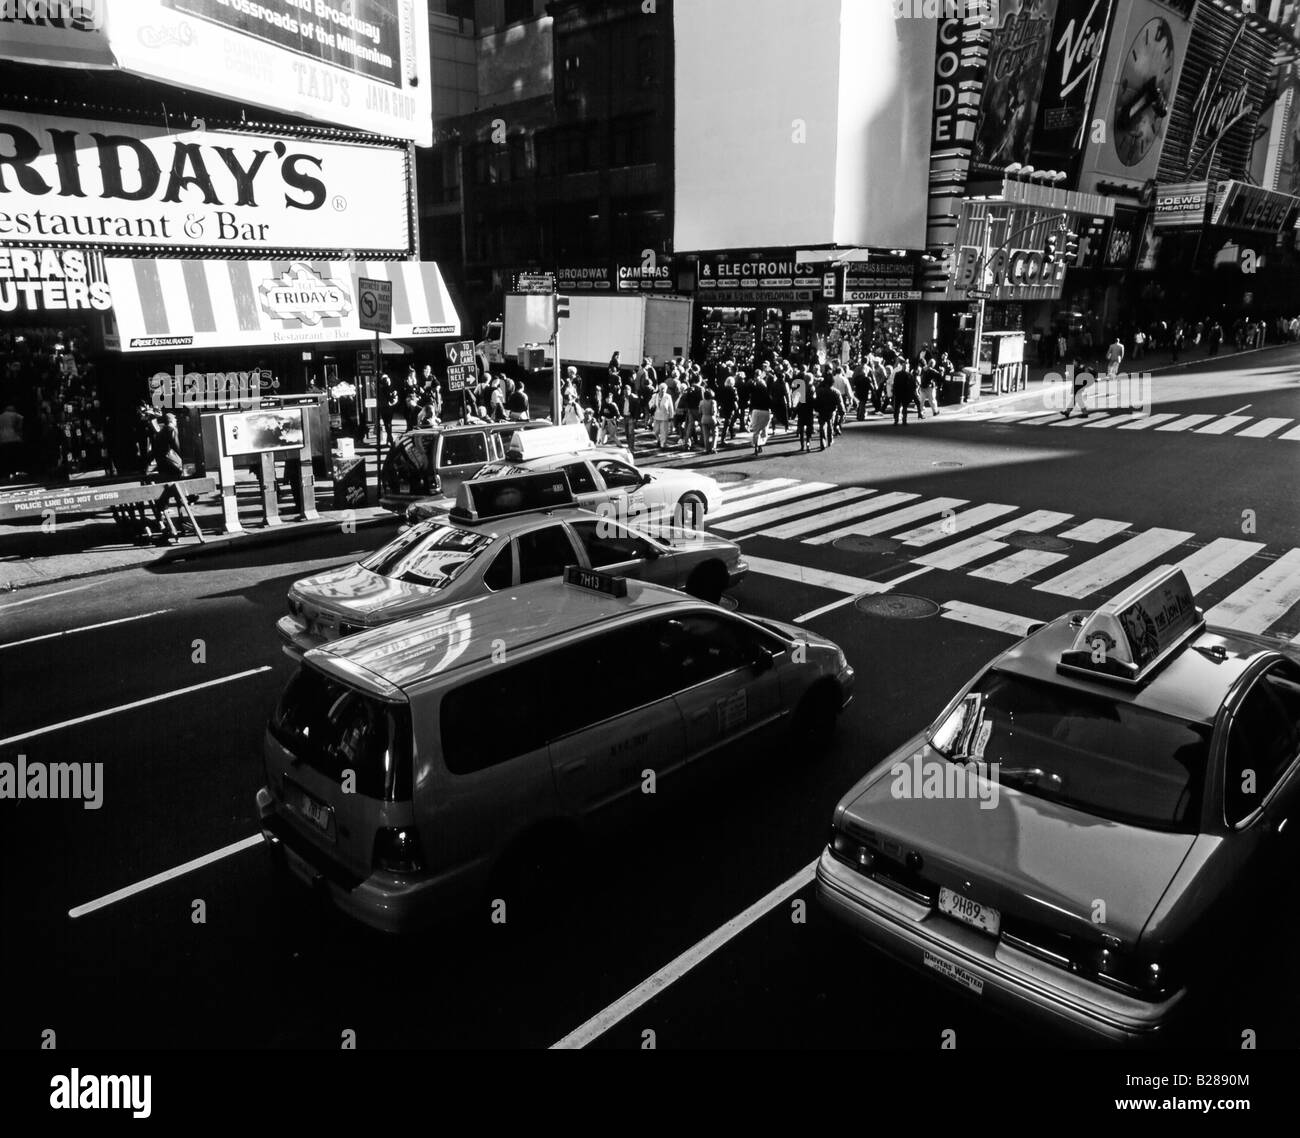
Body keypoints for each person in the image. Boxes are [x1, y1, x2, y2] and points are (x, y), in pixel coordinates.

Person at [815, 376, 844, 450]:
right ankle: (830, 440)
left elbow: (815, 400)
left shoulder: (819, 391)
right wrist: (842, 412)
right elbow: (840, 403)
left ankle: (822, 442)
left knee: (822, 425)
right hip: (831, 410)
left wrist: (815, 408)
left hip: (821, 410)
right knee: (830, 424)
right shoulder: (836, 392)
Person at [748, 373, 772, 455]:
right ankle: (760, 445)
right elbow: (770, 403)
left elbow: (751, 403)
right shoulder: (767, 393)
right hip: (765, 411)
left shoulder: (754, 393)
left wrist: (750, 412)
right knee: (764, 430)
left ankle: (755, 446)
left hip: (756, 411)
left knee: (756, 430)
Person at [0, 403, 23, 481]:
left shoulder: (1, 416)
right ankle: (14, 472)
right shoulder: (14, 414)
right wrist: (19, 429)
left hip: (3, 439)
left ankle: (6, 473)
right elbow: (21, 418)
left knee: (6, 457)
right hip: (13, 438)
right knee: (14, 456)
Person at [650, 382, 675, 449]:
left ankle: (662, 444)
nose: (663, 390)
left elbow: (671, 407)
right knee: (656, 431)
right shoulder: (655, 396)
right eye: (661, 389)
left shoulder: (668, 396)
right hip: (656, 416)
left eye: (664, 389)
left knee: (664, 431)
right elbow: (650, 403)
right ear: (659, 389)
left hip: (664, 416)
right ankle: (658, 440)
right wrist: (652, 406)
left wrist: (671, 416)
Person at [619, 381, 642, 452]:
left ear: (630, 391)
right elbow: (620, 406)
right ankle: (629, 446)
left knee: (631, 433)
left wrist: (636, 418)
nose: (626, 393)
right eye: (625, 391)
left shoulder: (634, 398)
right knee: (626, 433)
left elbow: (638, 409)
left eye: (627, 391)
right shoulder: (622, 398)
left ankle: (631, 448)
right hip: (625, 417)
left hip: (631, 417)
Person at [378, 372, 397, 444]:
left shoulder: (381, 389)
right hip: (388, 408)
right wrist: (394, 395)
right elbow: (391, 399)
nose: (389, 382)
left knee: (387, 424)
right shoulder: (388, 389)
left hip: (384, 408)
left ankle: (389, 438)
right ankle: (390, 438)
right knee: (388, 423)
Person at [699, 387, 719, 454]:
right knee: (715, 433)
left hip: (704, 419)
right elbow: (713, 411)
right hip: (712, 419)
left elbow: (700, 411)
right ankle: (713, 447)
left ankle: (707, 449)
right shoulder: (713, 402)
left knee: (706, 435)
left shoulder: (701, 402)